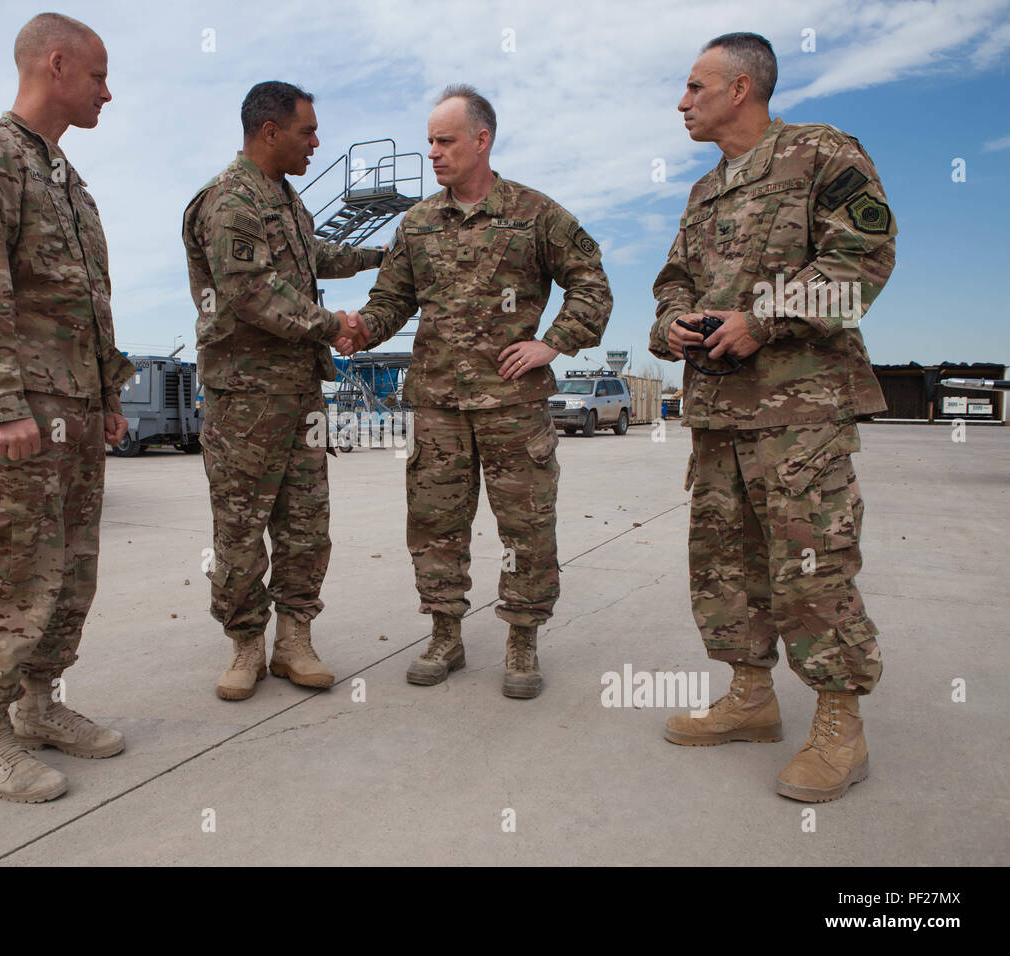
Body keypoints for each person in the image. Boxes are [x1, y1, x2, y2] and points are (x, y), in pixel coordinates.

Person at [649, 33, 895, 802]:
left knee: (812, 569)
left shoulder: (820, 152)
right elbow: (669, 284)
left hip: (802, 414)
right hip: (720, 415)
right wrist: (674, 326)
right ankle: (751, 699)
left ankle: (840, 726)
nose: (682, 102)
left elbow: (863, 261)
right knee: (727, 568)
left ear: (742, 88)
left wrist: (763, 319)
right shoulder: (702, 192)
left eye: (695, 86)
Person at [0, 12, 136, 803]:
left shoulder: (66, 181)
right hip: (13, 409)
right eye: (99, 76)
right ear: (56, 64)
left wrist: (109, 395)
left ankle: (41, 705)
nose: (109, 92)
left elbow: (88, 303)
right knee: (6, 568)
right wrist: (2, 403)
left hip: (72, 407)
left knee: (70, 566)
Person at [354, 85, 613, 699]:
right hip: (439, 405)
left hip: (513, 405)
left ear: (481, 139)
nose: (434, 154)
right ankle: (445, 633)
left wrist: (553, 342)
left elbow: (592, 285)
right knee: (435, 524)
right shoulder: (416, 224)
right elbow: (391, 300)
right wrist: (360, 328)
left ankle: (522, 638)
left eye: (445, 141)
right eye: (429, 143)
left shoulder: (536, 213)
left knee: (526, 526)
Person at [182, 81, 383, 701]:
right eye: (307, 131)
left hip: (300, 394)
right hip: (245, 399)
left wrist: (378, 255)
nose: (317, 143)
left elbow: (309, 257)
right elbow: (253, 294)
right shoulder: (229, 201)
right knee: (241, 527)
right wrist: (335, 324)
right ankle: (247, 645)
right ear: (270, 131)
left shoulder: (287, 201)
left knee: (305, 523)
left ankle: (295, 639)